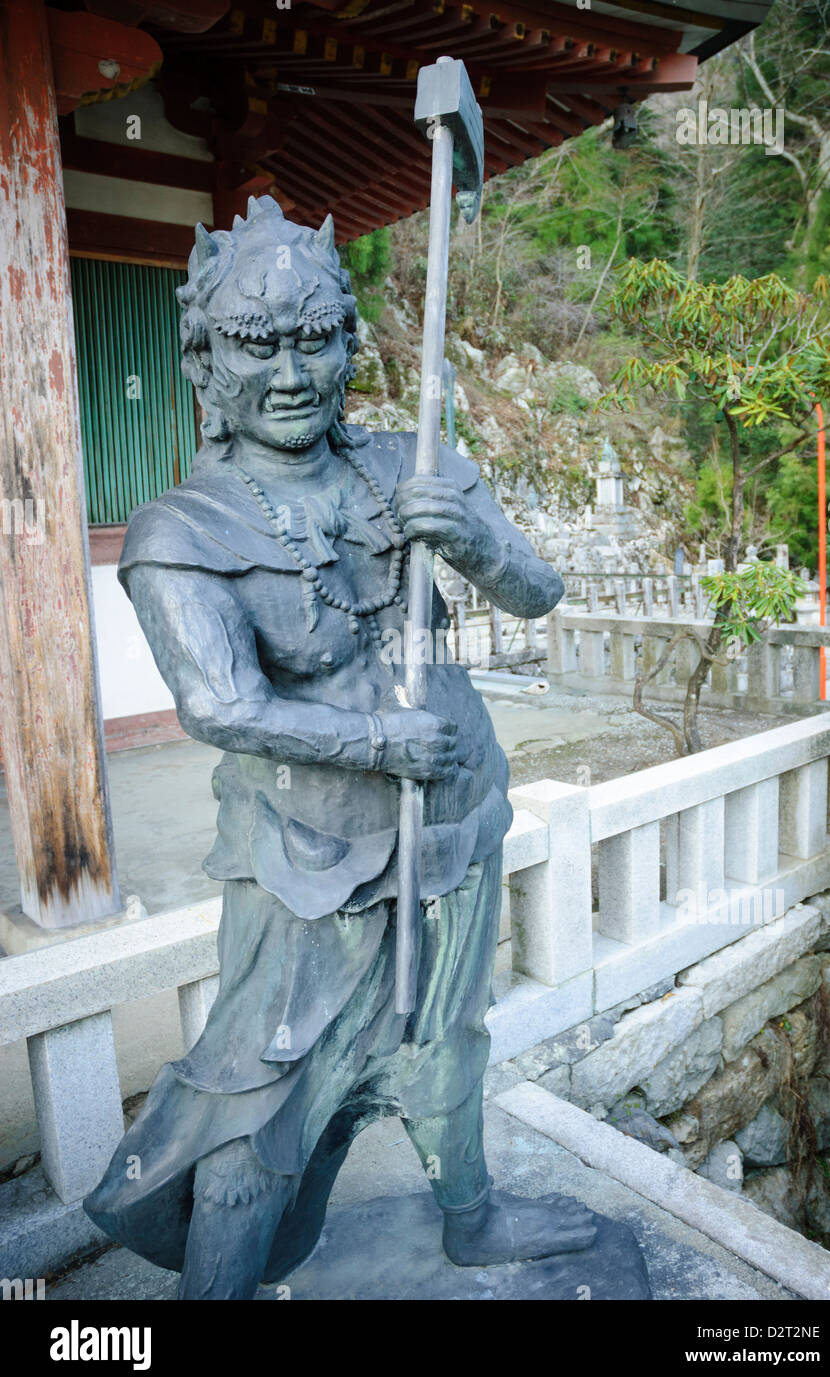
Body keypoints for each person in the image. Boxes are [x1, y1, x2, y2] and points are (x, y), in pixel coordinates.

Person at [85, 197, 596, 1299]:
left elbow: (540, 588)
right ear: (203, 359)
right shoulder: (184, 530)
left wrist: (472, 538)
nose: (289, 372)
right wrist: (376, 739)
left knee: (448, 1034)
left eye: (315, 339)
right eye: (256, 343)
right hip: (302, 858)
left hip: (457, 815)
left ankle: (472, 1213)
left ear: (350, 344)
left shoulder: (402, 464)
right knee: (257, 1087)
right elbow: (221, 706)